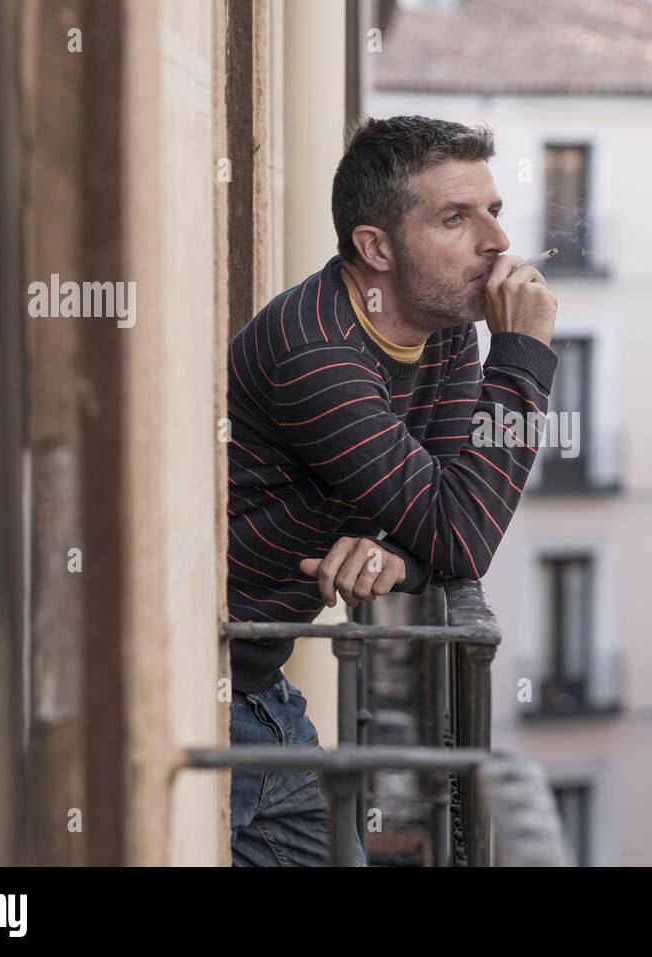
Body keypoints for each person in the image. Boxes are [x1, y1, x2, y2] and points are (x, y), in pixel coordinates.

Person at [226, 115, 559, 866]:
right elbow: (463, 529)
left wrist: (394, 558)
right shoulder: (317, 353)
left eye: (493, 213)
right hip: (212, 695)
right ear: (375, 247)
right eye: (455, 218)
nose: (497, 242)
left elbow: (449, 521)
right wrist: (524, 353)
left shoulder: (439, 327)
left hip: (261, 686)